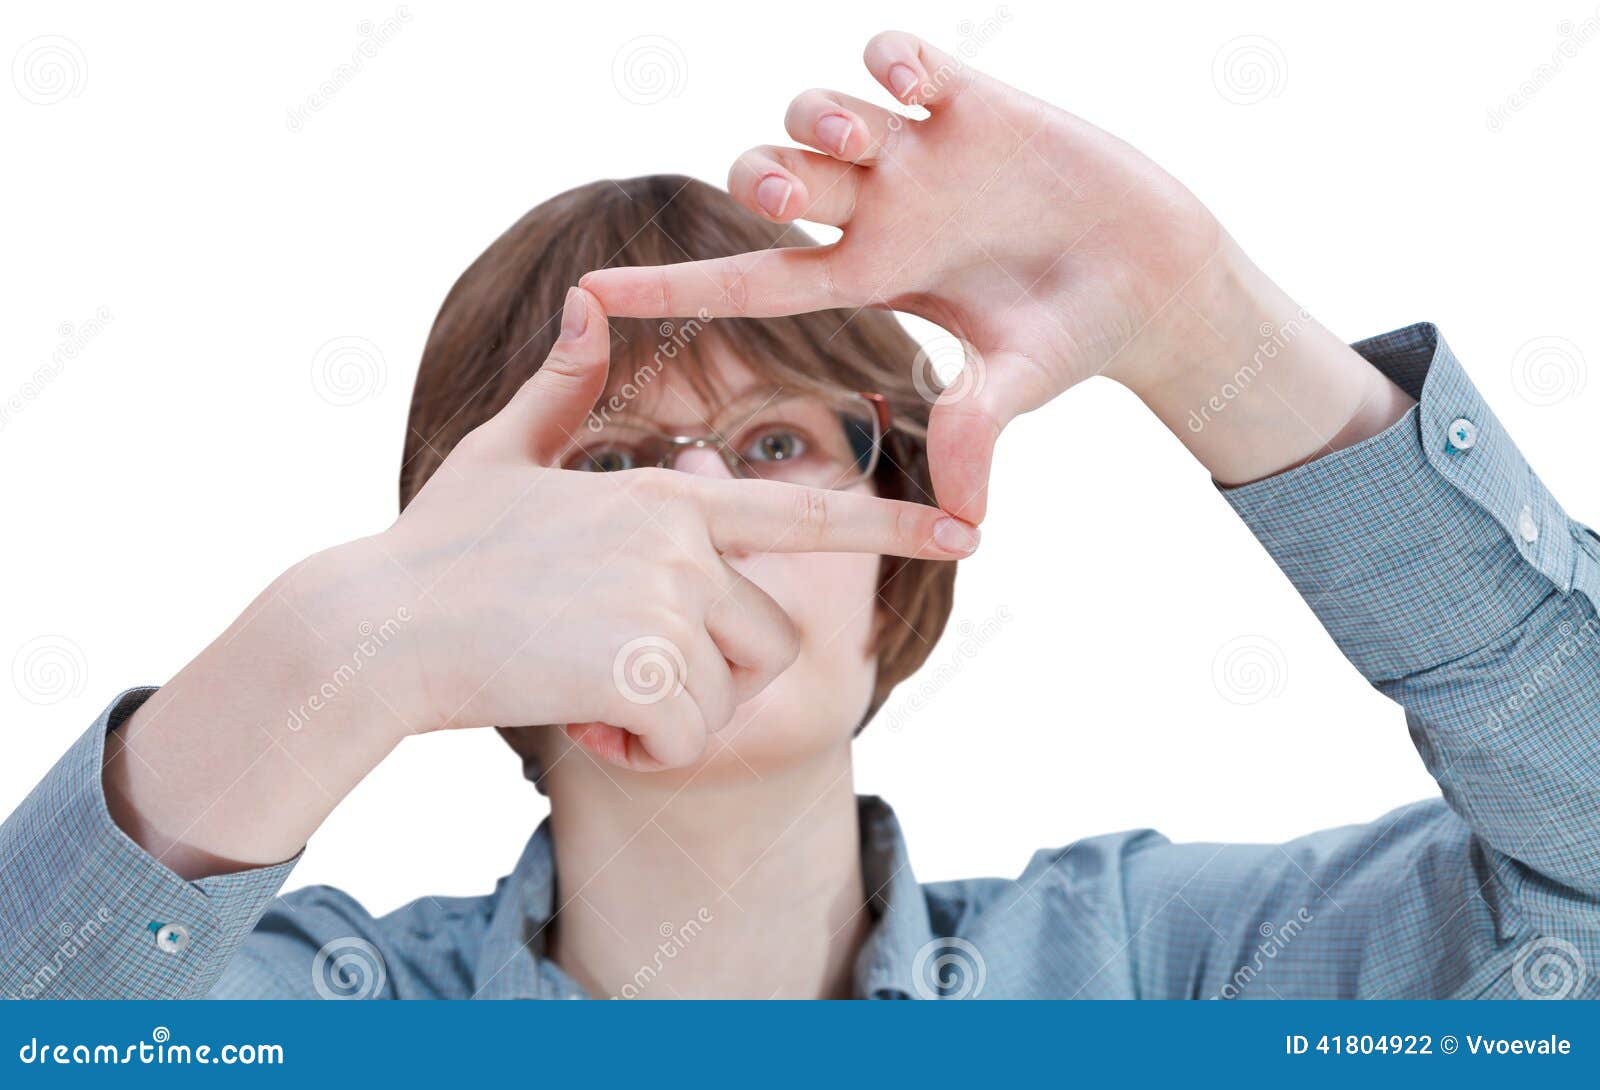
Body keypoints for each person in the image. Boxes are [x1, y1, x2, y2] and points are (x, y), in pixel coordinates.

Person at [3, 31, 1597, 1001]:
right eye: (611, 470)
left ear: (898, 518)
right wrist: (328, 644)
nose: (695, 516)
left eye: (775, 444)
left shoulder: (1162, 975)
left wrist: (1214, 330)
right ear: (464, 586)